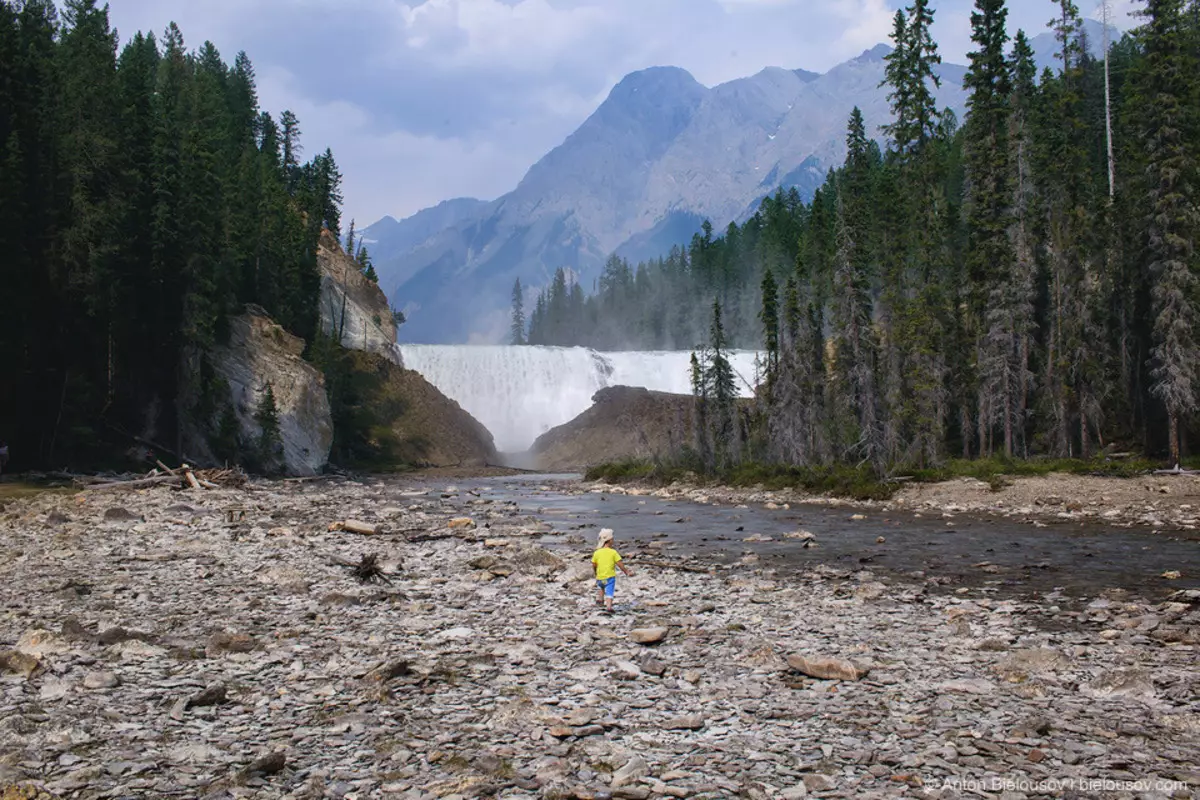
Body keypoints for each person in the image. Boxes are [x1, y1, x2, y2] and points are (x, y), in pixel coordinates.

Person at [592, 528, 634, 614]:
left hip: (600, 577)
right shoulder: (613, 552)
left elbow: (594, 564)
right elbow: (620, 564)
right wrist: (626, 571)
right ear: (609, 540)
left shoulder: (597, 552)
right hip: (609, 577)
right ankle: (609, 607)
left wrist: (595, 572)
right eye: (612, 539)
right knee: (609, 591)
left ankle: (600, 600)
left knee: (601, 587)